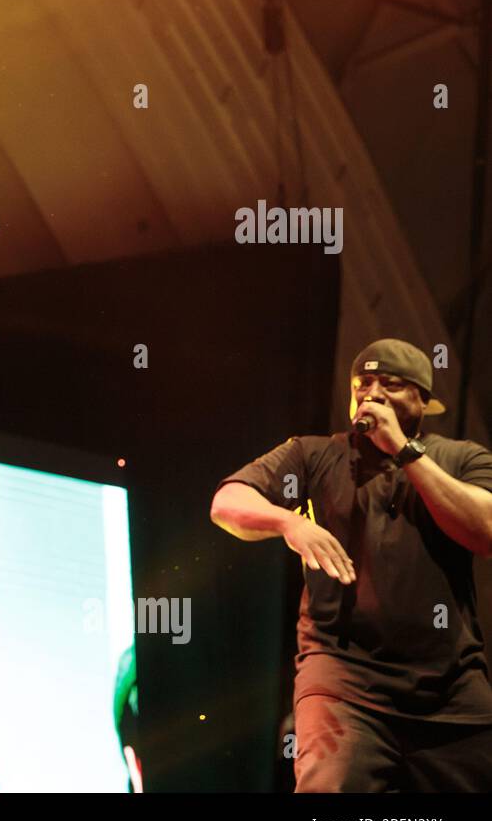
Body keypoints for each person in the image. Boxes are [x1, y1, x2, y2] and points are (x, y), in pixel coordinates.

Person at [210, 338, 492, 792]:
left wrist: (402, 449)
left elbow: (485, 530)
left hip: (450, 688)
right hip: (344, 683)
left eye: (392, 385)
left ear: (423, 399)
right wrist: (288, 523)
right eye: (363, 384)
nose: (373, 393)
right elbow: (227, 502)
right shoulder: (314, 455)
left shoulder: (460, 459)